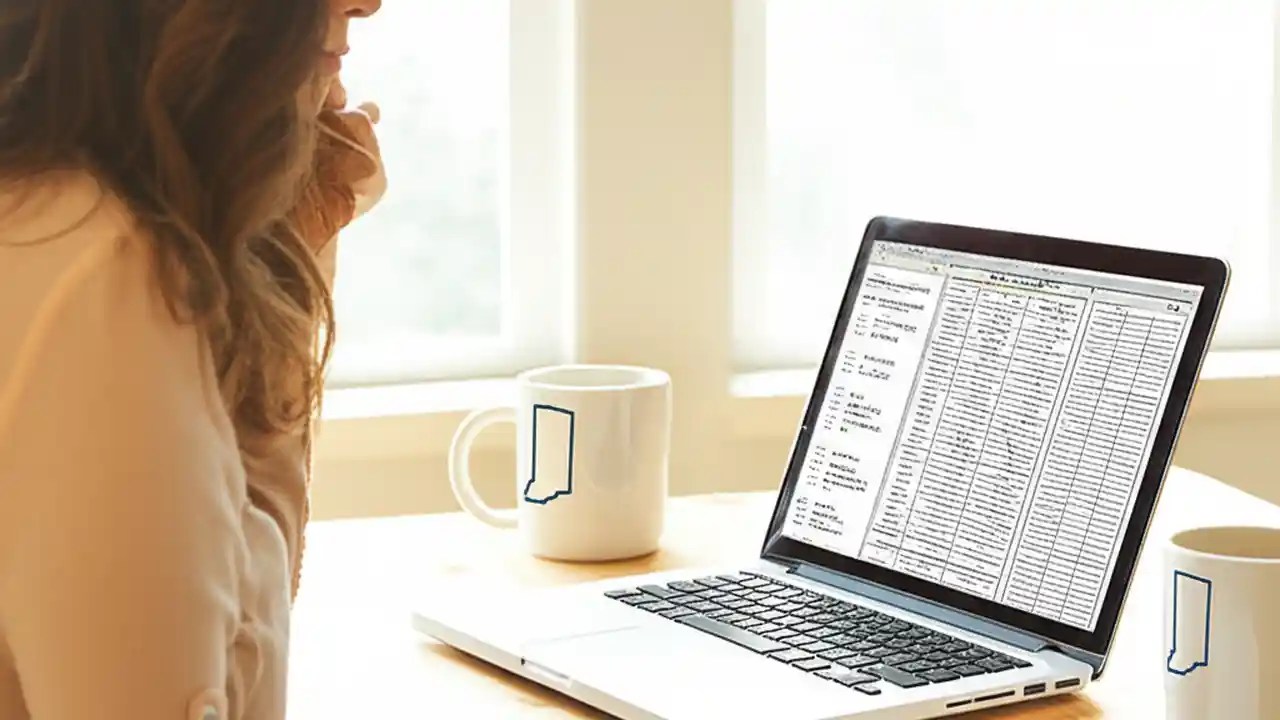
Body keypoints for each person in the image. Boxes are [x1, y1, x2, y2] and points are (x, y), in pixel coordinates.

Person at [0, 0, 383, 717]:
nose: (369, 2)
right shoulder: (100, 281)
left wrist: (281, 249)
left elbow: (220, 630)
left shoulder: (47, 227)